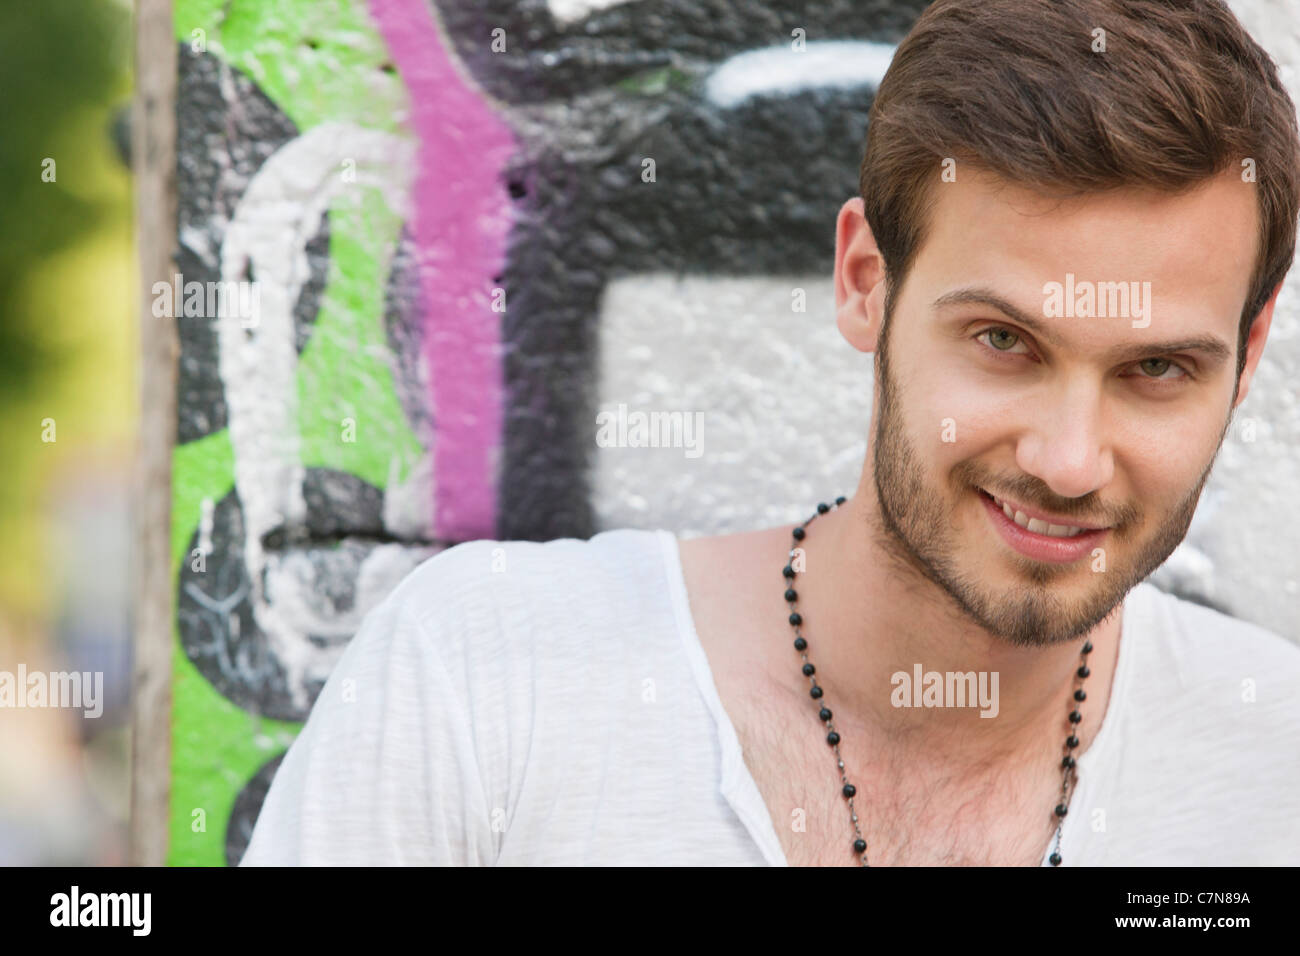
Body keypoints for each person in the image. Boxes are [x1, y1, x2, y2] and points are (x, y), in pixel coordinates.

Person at [241, 0, 1300, 866]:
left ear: (1245, 357)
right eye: (1003, 341)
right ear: (862, 284)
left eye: (1155, 370)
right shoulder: (483, 682)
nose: (1068, 459)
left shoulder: (1276, 771)